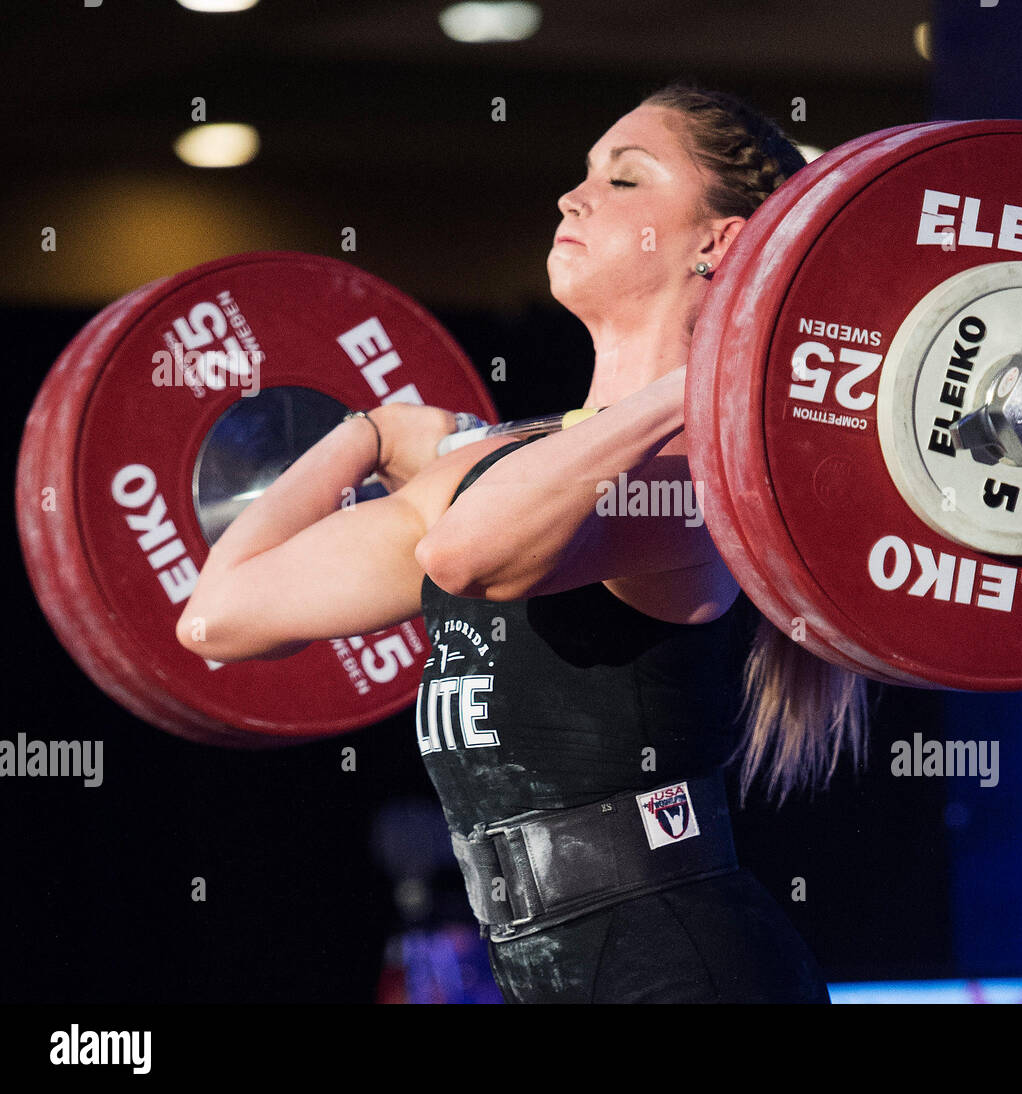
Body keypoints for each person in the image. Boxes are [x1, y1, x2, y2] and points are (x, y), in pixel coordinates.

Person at [177, 83, 873, 1003]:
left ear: (718, 242)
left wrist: (736, 364)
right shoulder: (511, 466)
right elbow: (219, 616)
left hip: (685, 968)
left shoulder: (697, 467)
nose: (570, 198)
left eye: (624, 180)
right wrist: (369, 432)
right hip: (543, 970)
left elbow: (468, 553)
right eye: (582, 175)